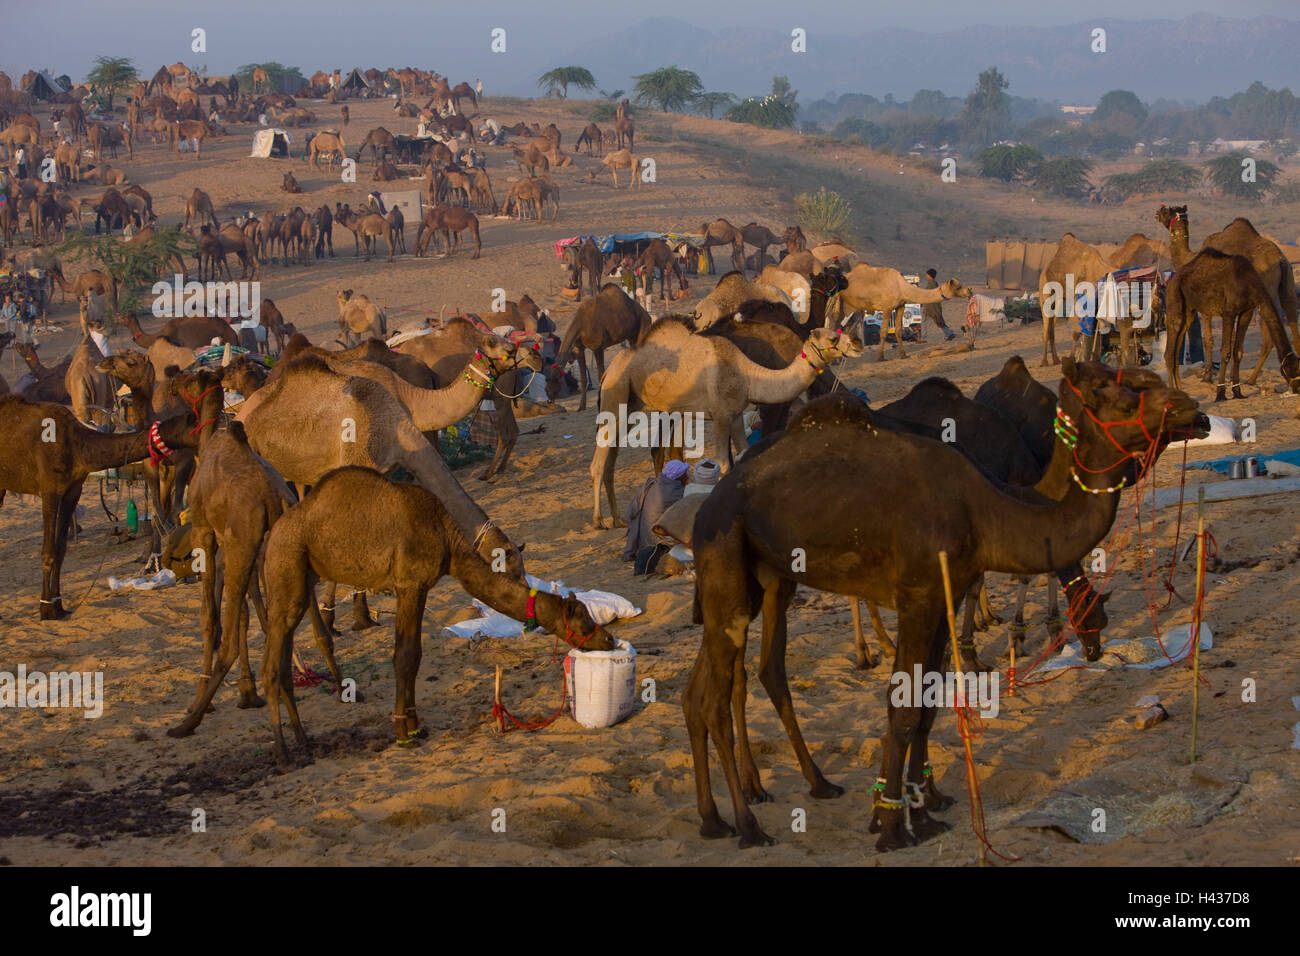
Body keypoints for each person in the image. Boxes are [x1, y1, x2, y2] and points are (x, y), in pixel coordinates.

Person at [623, 459, 690, 574]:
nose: (687, 477)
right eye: (685, 474)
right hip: (655, 541)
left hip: (642, 538)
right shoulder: (674, 493)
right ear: (678, 477)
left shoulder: (654, 483)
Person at [919, 268, 955, 342]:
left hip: (930, 307)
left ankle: (923, 337)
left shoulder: (932, 284)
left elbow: (928, 294)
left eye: (927, 275)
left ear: (930, 275)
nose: (926, 276)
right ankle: (949, 333)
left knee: (927, 321)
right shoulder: (933, 283)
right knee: (938, 321)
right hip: (931, 306)